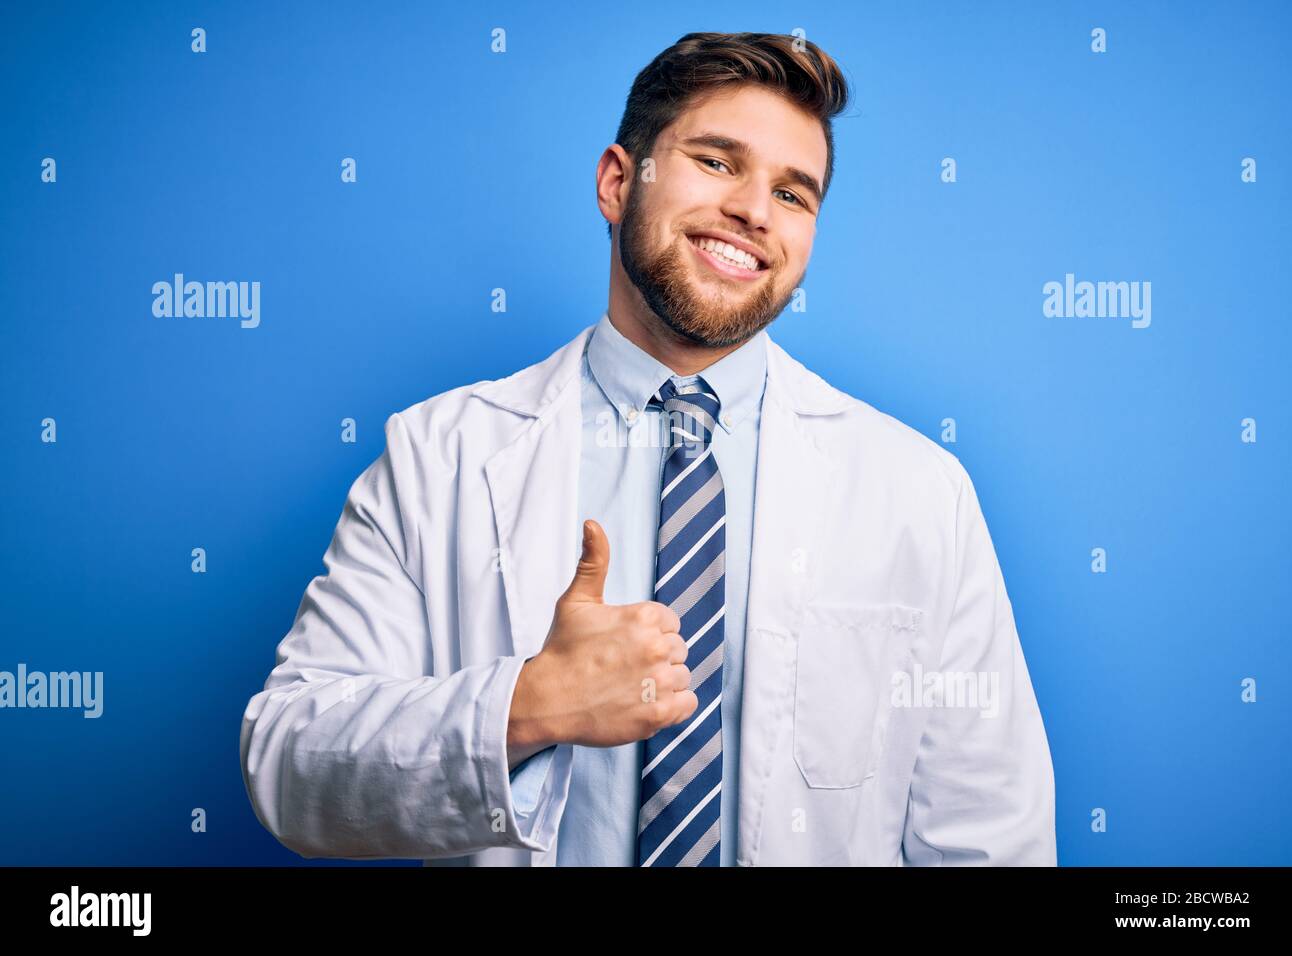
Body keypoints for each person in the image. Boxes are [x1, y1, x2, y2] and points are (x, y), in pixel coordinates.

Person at [239, 31, 1056, 867]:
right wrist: (527, 704)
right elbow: (288, 764)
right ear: (617, 182)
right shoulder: (436, 457)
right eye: (716, 161)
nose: (755, 211)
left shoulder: (919, 490)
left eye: (793, 193)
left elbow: (991, 837)